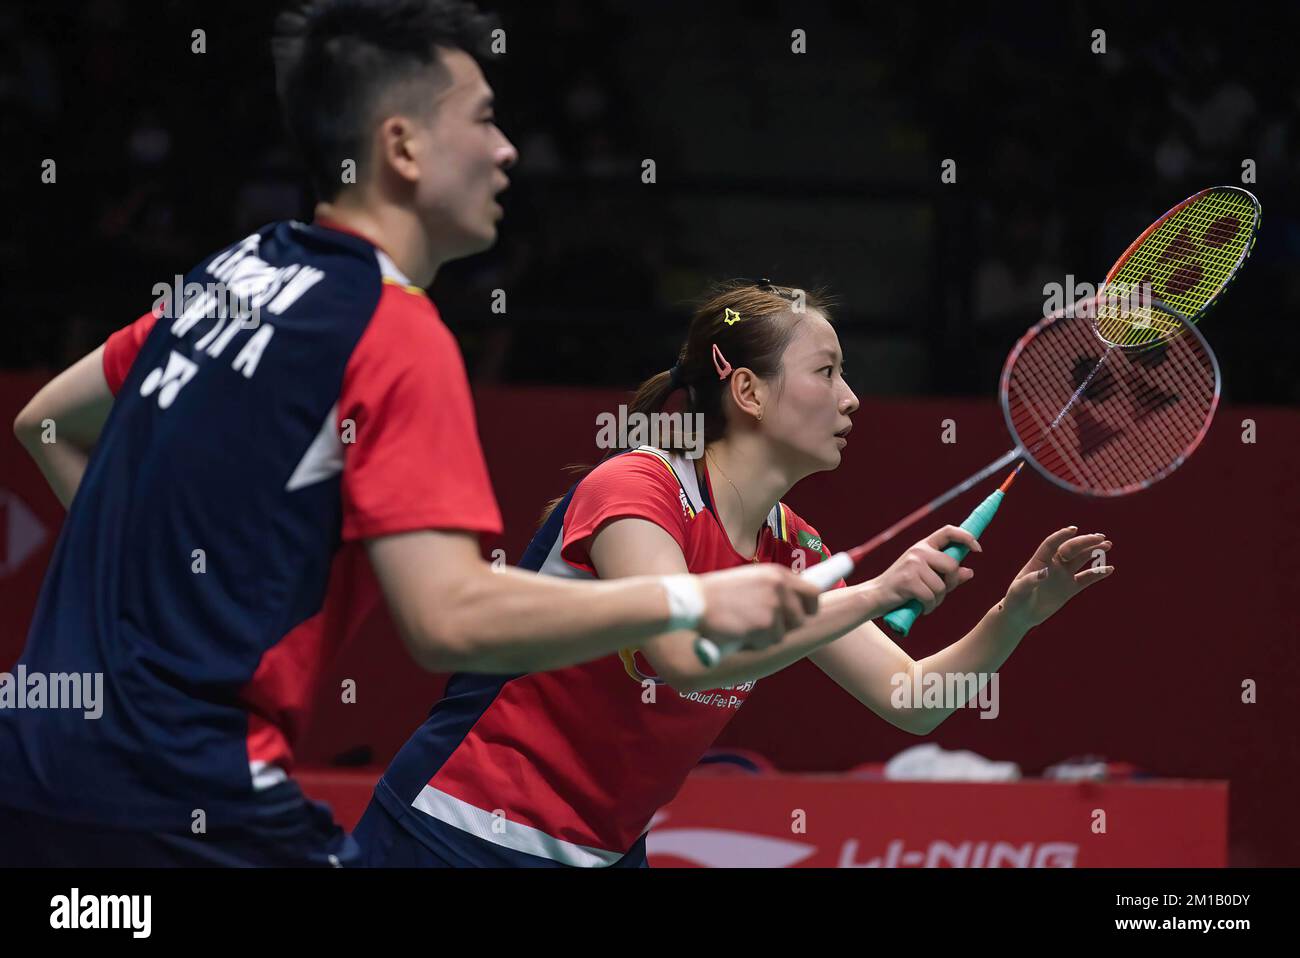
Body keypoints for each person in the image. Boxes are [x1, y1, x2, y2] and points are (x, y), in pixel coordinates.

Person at [0, 1, 817, 867]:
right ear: (401, 146)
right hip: (191, 795)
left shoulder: (235, 272)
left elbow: (44, 421)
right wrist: (686, 597)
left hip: (36, 772)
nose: (507, 150)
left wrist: (159, 572)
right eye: (483, 117)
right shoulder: (393, 330)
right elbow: (447, 616)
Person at [355, 280, 1116, 867]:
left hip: (600, 853)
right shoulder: (639, 488)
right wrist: (876, 593)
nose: (852, 397)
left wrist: (1012, 616)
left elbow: (913, 700)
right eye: (827, 371)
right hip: (457, 829)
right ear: (747, 390)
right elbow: (679, 657)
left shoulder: (795, 547)